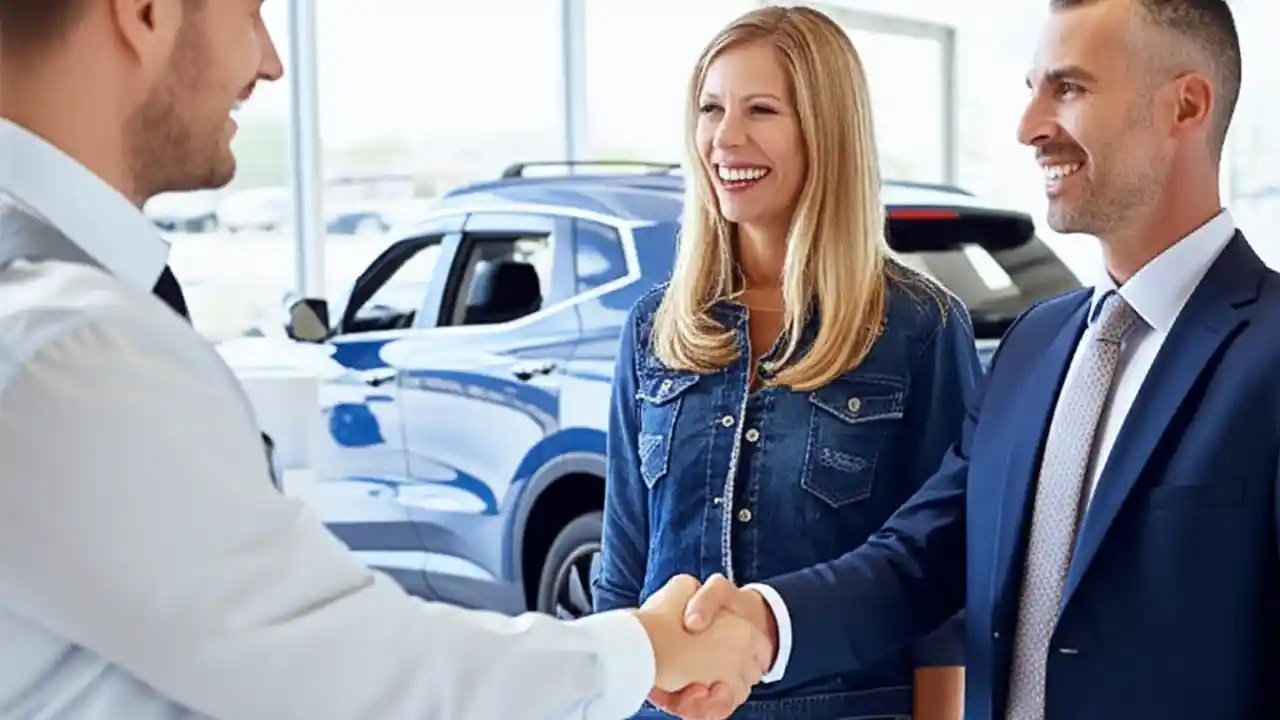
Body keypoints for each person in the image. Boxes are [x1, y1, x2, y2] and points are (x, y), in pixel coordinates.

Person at [0, 1, 772, 718]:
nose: (270, 61)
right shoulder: (71, 342)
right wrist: (647, 647)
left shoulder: (66, 316)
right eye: (253, 10)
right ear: (147, 12)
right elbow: (334, 663)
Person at [655, 0, 1280, 718]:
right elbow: (920, 561)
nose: (1030, 128)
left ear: (1186, 105)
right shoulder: (1035, 346)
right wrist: (762, 629)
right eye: (1033, 90)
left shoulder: (1267, 353)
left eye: (1069, 89)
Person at [592, 6, 979, 719]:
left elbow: (943, 590)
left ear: (826, 132)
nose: (725, 138)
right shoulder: (655, 326)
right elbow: (621, 573)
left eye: (760, 109)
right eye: (710, 109)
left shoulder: (919, 328)